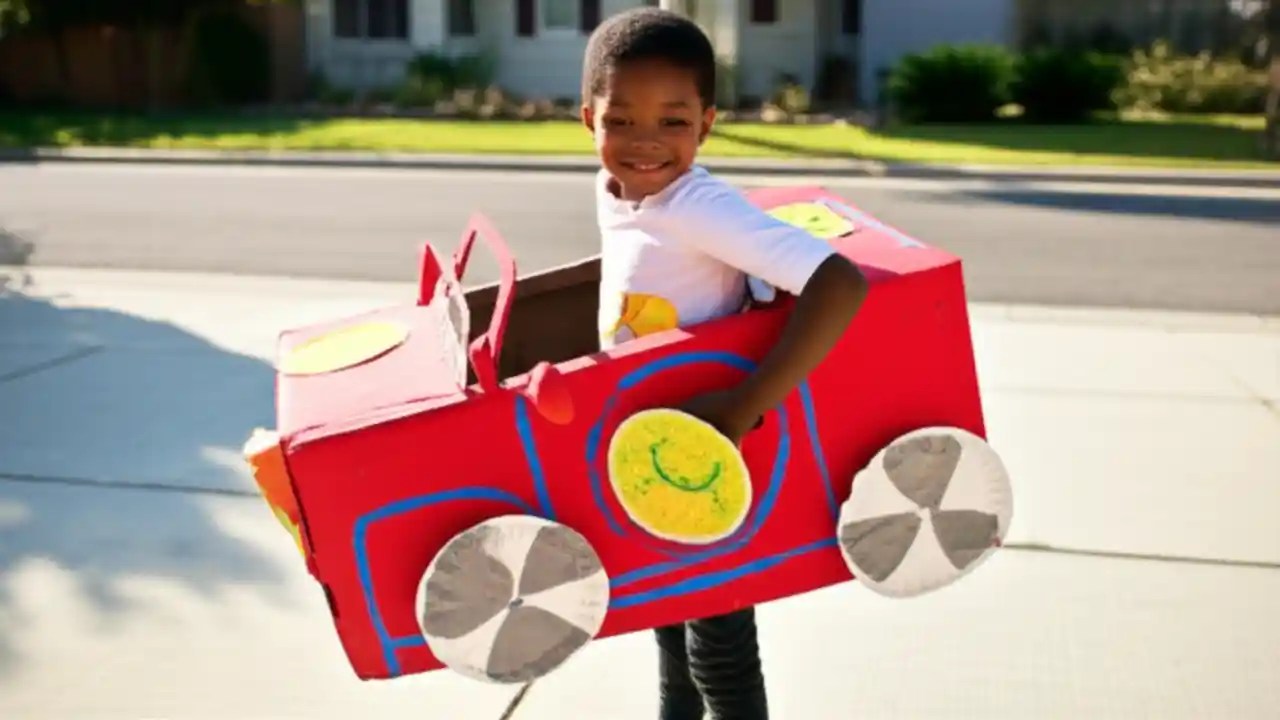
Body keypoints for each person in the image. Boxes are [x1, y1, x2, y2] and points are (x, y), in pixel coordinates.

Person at [580, 8, 870, 720]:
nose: (645, 142)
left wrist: (742, 408)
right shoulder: (618, 189)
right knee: (668, 615)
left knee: (720, 643)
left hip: (714, 446)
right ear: (588, 118)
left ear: (707, 124)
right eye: (621, 121)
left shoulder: (697, 204)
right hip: (657, 445)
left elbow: (841, 282)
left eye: (673, 122)